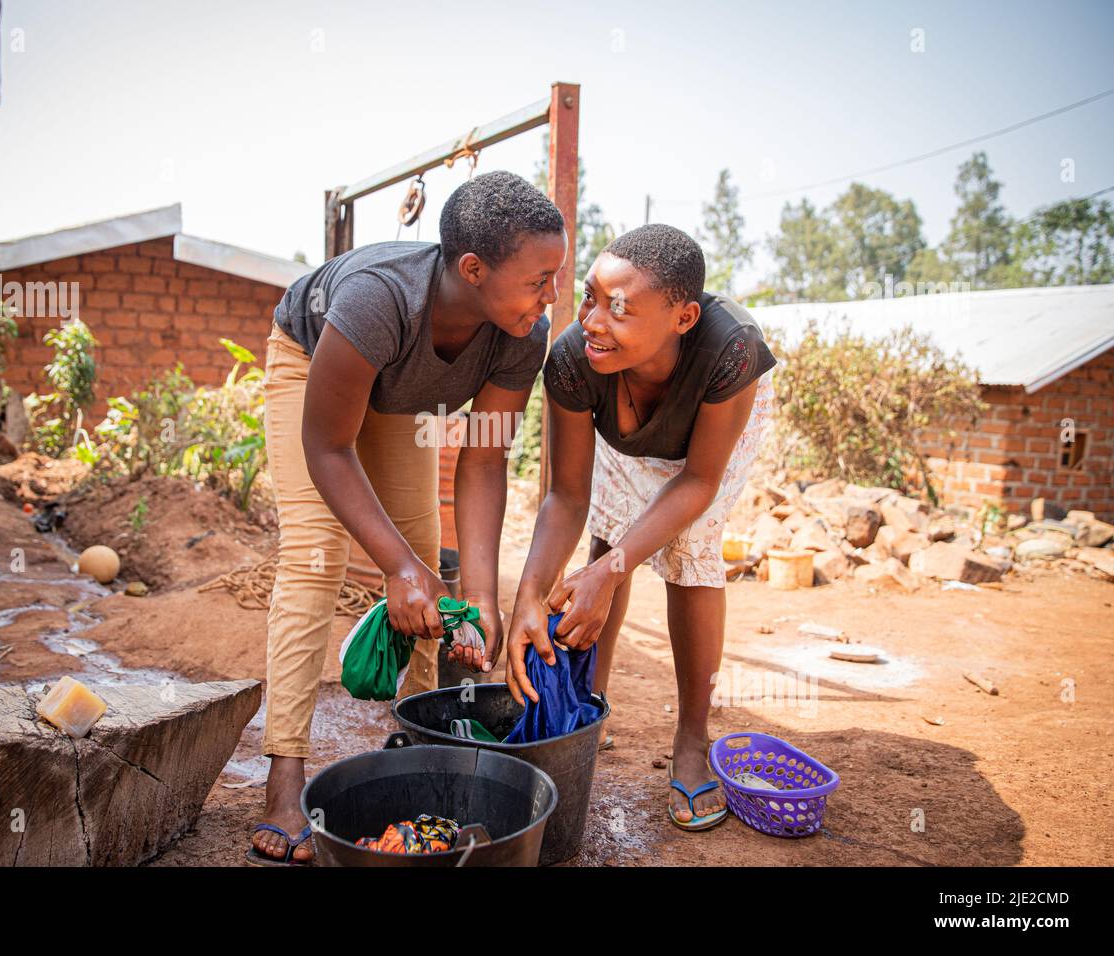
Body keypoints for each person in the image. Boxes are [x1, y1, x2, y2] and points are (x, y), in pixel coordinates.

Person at [248, 170, 568, 863]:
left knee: (428, 560)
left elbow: (483, 460)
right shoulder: (378, 299)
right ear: (474, 268)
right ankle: (284, 773)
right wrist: (393, 567)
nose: (553, 296)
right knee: (316, 556)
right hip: (315, 365)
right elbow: (327, 446)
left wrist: (479, 598)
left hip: (400, 393)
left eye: (556, 277)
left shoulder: (520, 333)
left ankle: (423, 754)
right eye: (539, 279)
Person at [505, 223, 776, 832]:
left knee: (690, 545)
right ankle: (588, 708)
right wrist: (528, 596)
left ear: (682, 319)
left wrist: (615, 566)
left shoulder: (730, 351)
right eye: (592, 297)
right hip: (629, 441)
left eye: (619, 309)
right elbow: (568, 494)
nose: (594, 320)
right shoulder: (578, 360)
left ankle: (691, 737)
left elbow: (699, 481)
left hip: (717, 431)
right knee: (609, 530)